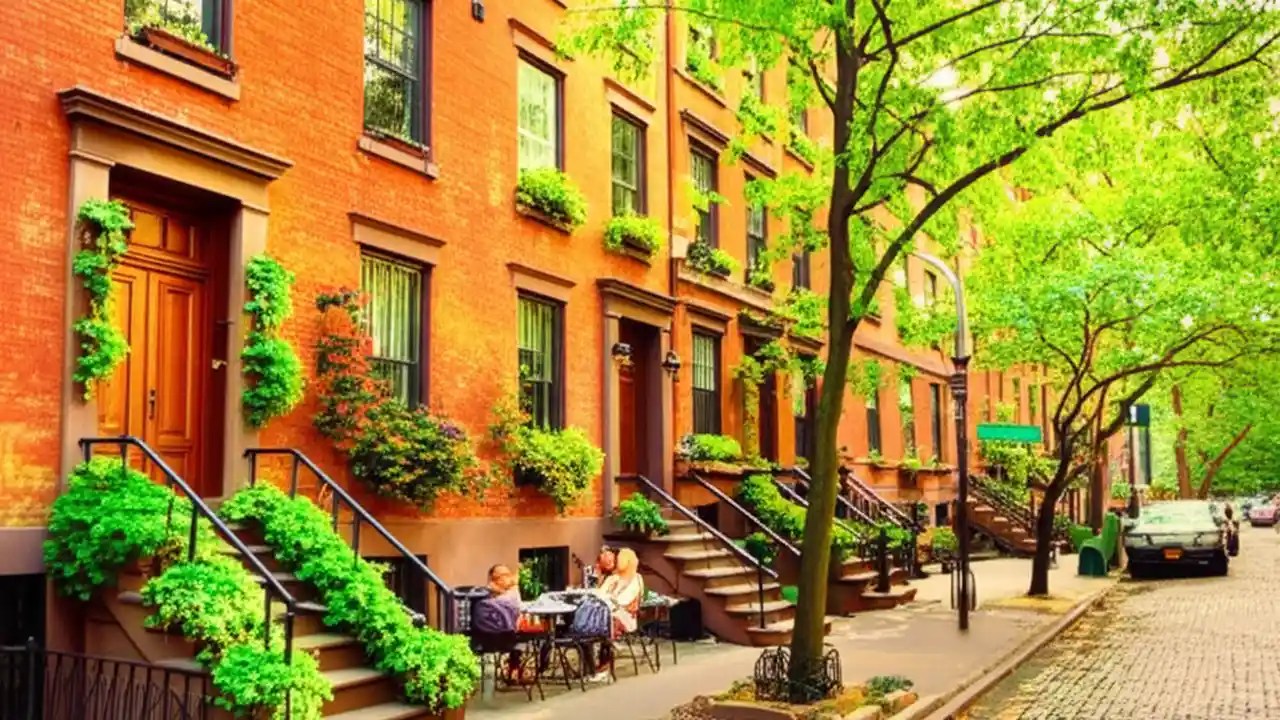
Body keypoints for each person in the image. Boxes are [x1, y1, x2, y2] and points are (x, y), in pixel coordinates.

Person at [584, 547, 644, 682]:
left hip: (624, 616)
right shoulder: (612, 578)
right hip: (607, 612)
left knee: (606, 623)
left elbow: (624, 601)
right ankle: (590, 667)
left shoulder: (636, 579)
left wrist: (608, 600)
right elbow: (599, 594)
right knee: (586, 623)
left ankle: (604, 667)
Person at [472, 564, 520, 634]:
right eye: (503, 575)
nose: (507, 578)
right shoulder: (484, 601)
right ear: (492, 579)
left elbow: (511, 603)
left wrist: (500, 591)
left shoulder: (513, 594)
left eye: (508, 575)